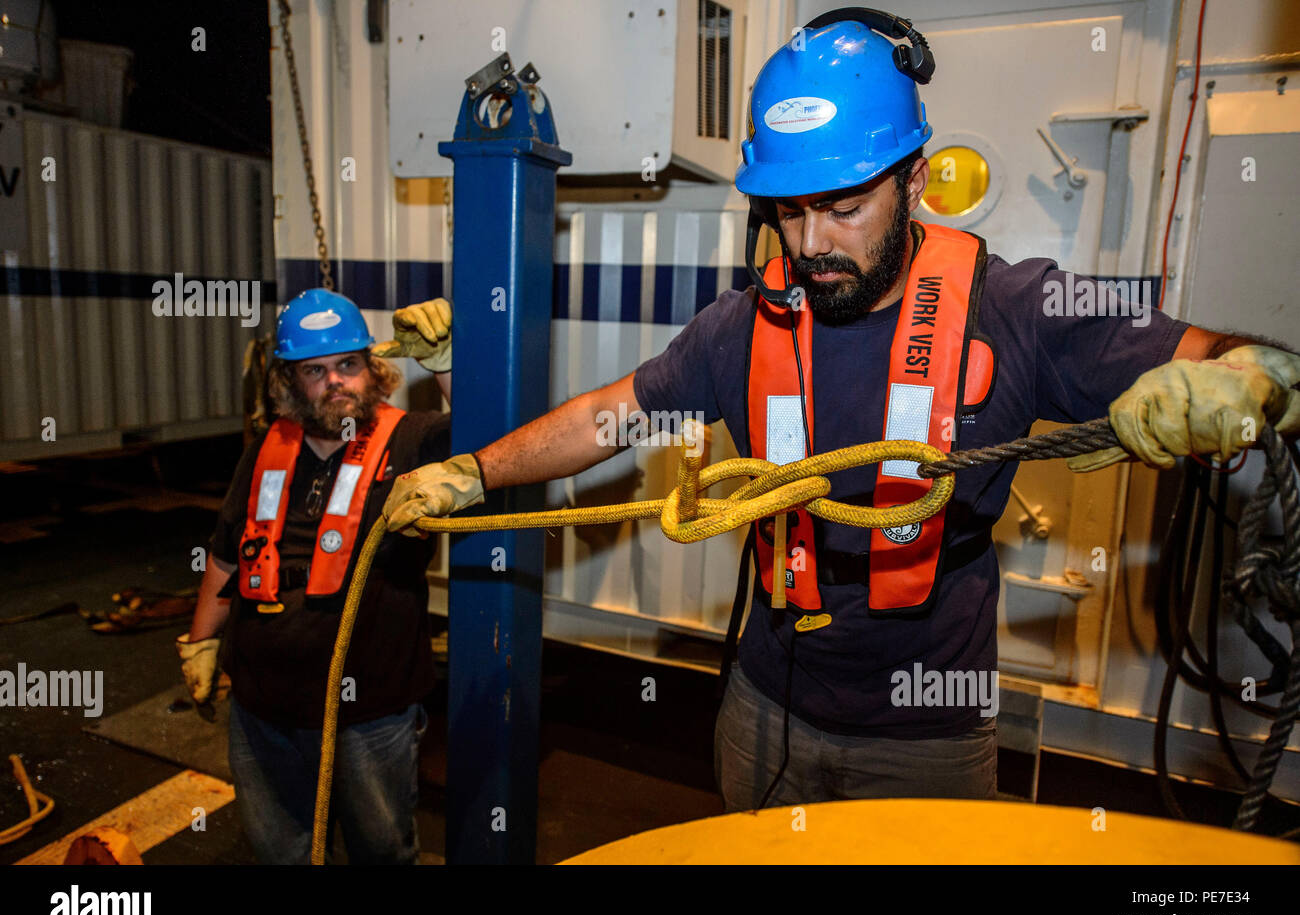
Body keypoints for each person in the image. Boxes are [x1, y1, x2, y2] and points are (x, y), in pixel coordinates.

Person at [381, 11, 1300, 811]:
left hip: (929, 739)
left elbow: (1239, 362)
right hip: (764, 709)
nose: (812, 243)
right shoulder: (741, 328)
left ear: (916, 179)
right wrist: (471, 470)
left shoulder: (1017, 310)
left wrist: (1247, 378)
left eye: (844, 207)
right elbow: (607, 418)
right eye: (788, 211)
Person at [176, 288, 456, 863]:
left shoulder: (414, 440)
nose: (335, 382)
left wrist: (448, 363)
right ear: (289, 382)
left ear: (372, 369)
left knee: (381, 851)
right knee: (282, 850)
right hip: (261, 706)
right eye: (315, 370)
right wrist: (201, 642)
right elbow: (227, 554)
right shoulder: (264, 450)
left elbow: (490, 447)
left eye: (348, 364)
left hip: (368, 711)